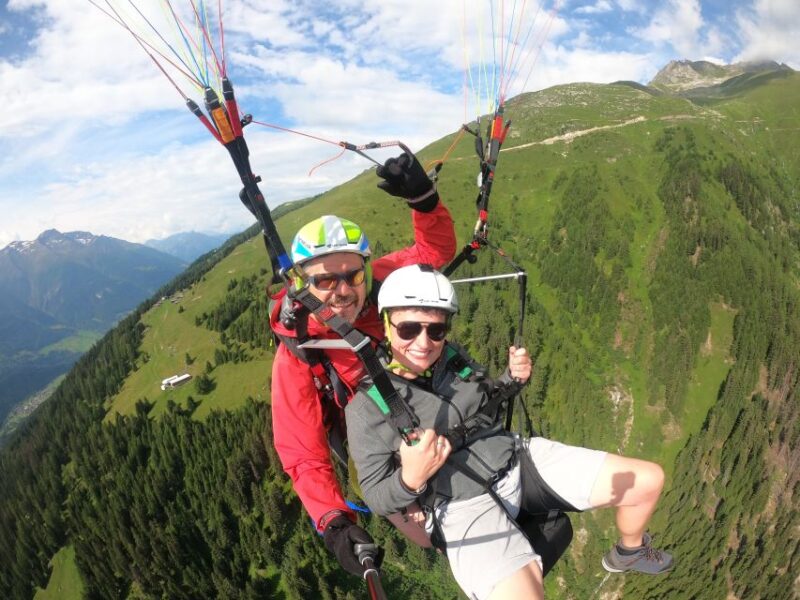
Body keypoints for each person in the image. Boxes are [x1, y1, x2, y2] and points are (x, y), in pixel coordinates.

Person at [346, 265, 673, 600]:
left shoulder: (452, 358)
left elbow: (485, 404)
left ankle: (629, 552)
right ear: (387, 325)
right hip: (461, 506)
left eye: (436, 330)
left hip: (516, 458)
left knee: (646, 481)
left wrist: (511, 380)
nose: (423, 342)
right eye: (409, 329)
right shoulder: (365, 408)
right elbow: (374, 493)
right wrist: (409, 481)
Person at [269, 152, 457, 577]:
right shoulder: (299, 352)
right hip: (377, 444)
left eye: (351, 276)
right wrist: (334, 522)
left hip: (426, 403)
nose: (341, 291)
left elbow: (434, 250)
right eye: (324, 280)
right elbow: (302, 452)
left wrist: (424, 201)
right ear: (301, 283)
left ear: (366, 273)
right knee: (442, 536)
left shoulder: (381, 284)